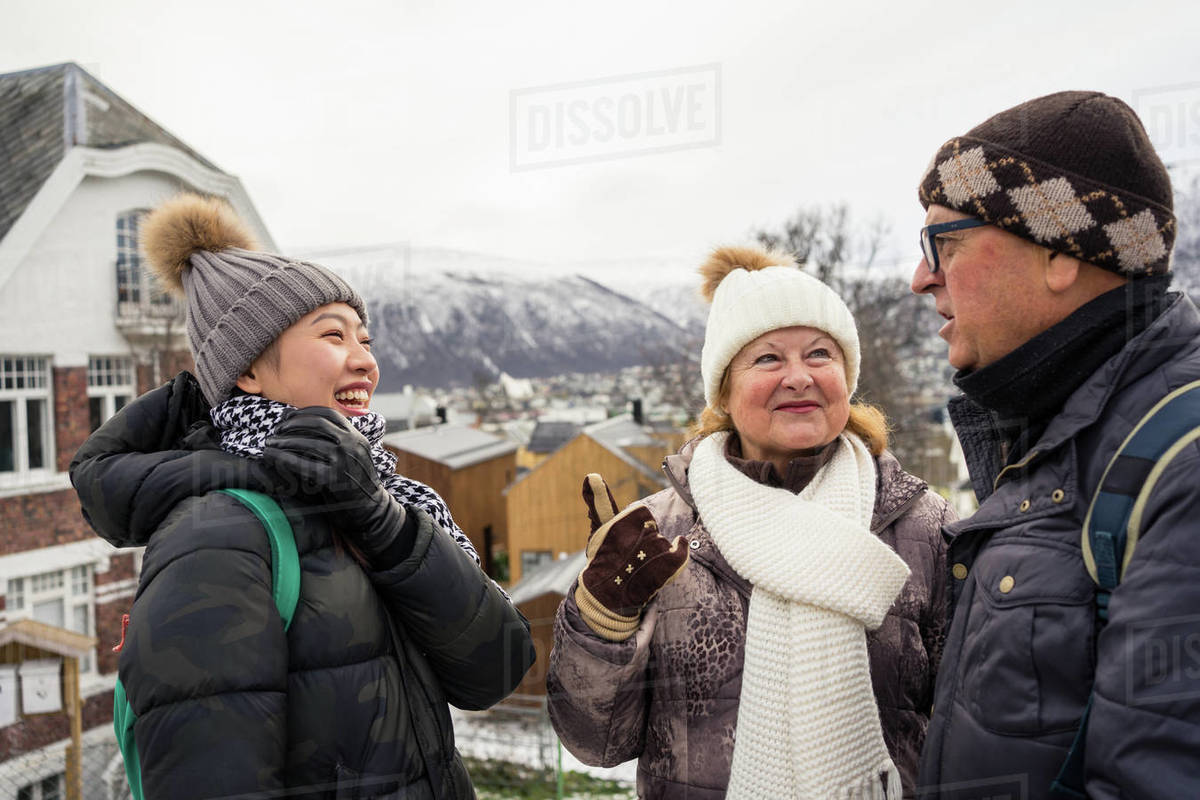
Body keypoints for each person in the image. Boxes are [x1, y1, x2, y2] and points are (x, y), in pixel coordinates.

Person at [70, 194, 536, 799]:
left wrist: (386, 525)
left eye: (365, 340)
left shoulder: (386, 498)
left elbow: (494, 672)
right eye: (334, 336)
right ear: (248, 372)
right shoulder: (216, 537)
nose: (365, 362)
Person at [547, 245, 952, 799]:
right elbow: (596, 743)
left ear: (847, 375)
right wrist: (600, 621)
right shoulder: (658, 536)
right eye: (767, 359)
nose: (799, 378)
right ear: (724, 390)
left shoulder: (921, 526)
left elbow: (970, 725)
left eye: (819, 354)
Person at [911, 91, 1200, 797]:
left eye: (945, 244)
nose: (922, 278)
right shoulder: (1061, 429)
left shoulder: (1179, 466)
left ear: (1059, 254)